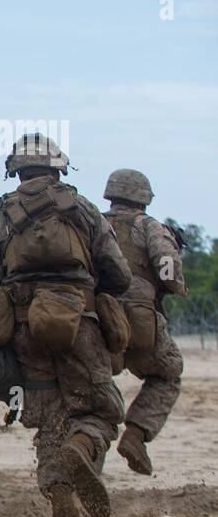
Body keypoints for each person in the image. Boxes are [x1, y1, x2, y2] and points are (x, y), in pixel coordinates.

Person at [0, 134, 131, 517]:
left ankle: (64, 510)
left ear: (15, 170)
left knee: (50, 420)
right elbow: (119, 274)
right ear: (59, 168)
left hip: (23, 331)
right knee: (101, 409)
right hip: (80, 326)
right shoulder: (83, 209)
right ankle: (83, 447)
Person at [103, 169, 186, 475]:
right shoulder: (149, 227)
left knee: (90, 390)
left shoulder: (90, 222)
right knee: (168, 372)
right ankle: (136, 434)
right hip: (139, 323)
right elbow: (169, 273)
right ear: (143, 198)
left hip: (94, 321)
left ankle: (87, 454)